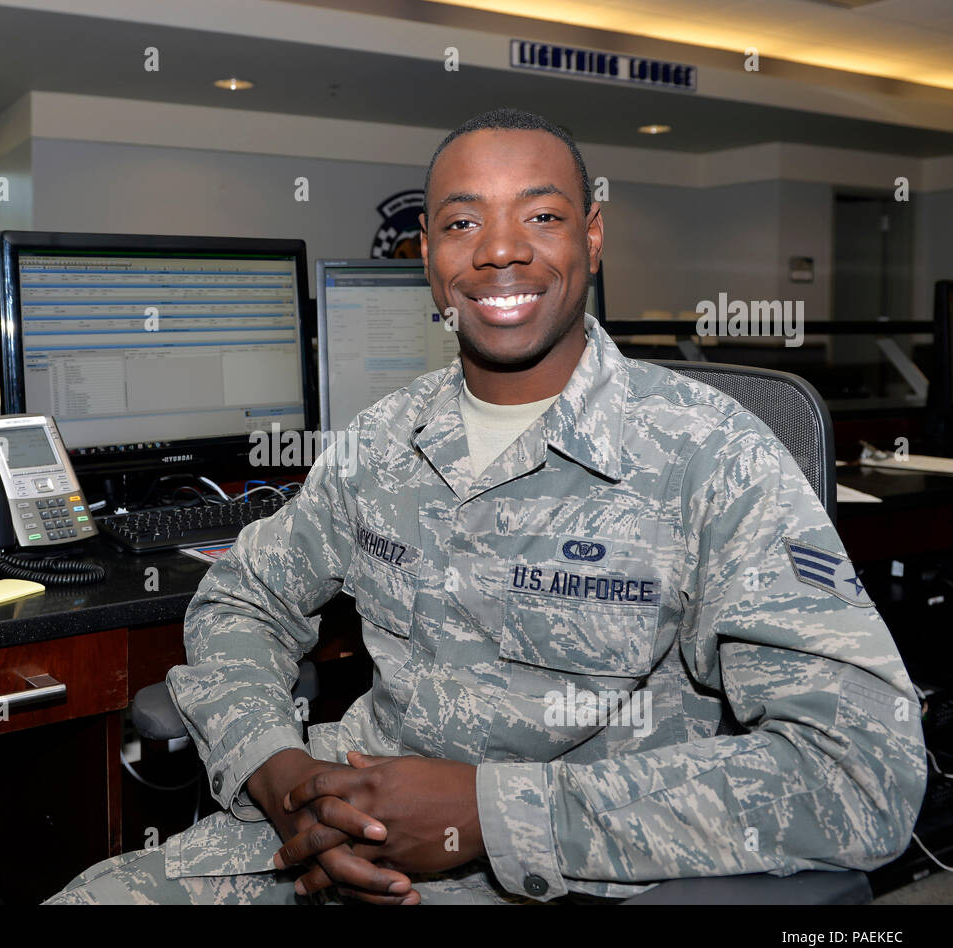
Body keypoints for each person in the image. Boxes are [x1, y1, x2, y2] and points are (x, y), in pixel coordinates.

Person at [46, 108, 927, 905]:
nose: (499, 251)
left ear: (592, 237)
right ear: (428, 257)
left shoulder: (711, 457)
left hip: (569, 878)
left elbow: (862, 775)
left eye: (540, 216)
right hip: (322, 838)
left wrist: (485, 814)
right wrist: (278, 772)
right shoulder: (382, 440)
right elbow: (245, 597)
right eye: (463, 223)